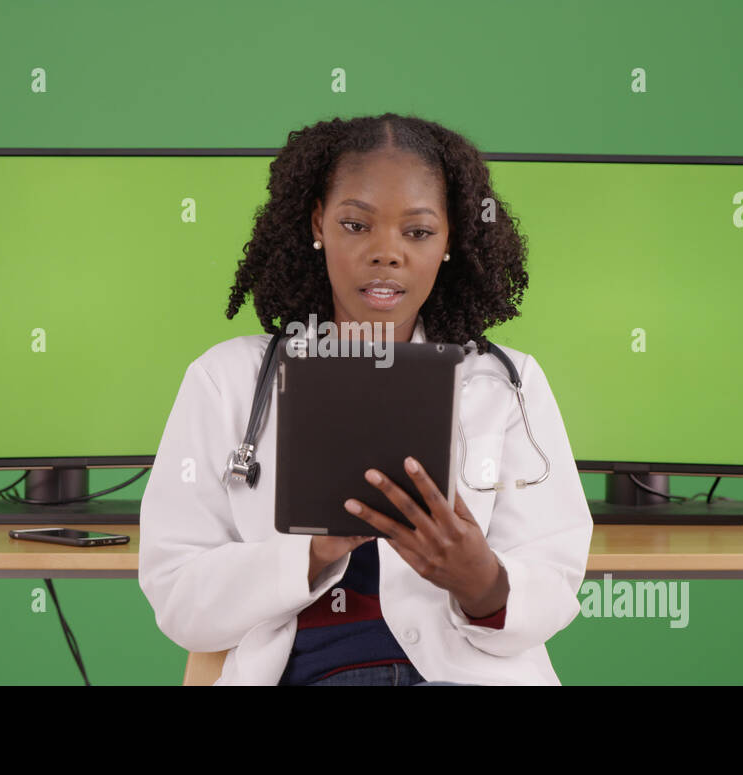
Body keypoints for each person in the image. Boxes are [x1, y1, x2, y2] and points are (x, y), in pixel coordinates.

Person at [139, 113, 593, 685]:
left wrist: (479, 579)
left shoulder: (504, 383)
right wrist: (311, 554)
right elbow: (177, 597)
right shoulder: (226, 380)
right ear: (318, 225)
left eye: (419, 232)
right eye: (356, 225)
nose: (387, 252)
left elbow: (552, 579)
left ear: (451, 239)